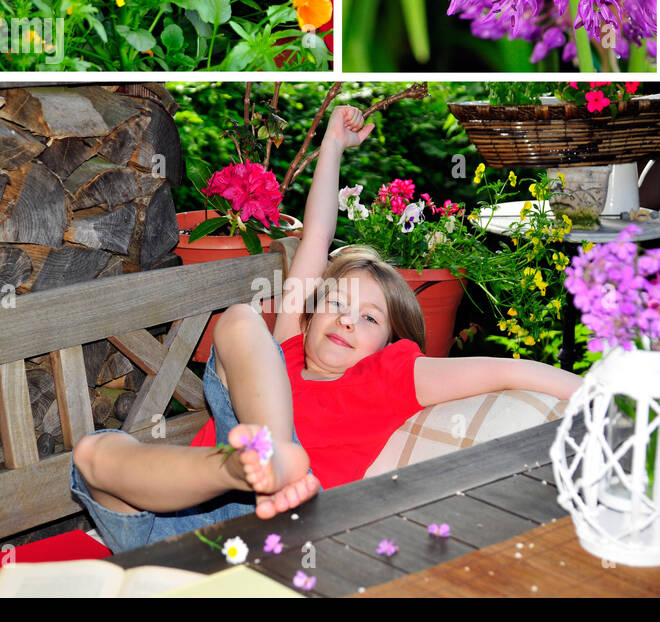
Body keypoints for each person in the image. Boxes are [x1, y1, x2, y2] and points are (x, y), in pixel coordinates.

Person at [70, 105, 582, 553]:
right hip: (176, 520)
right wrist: (332, 143)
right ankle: (251, 460)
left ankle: (262, 463)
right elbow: (316, 238)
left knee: (244, 329)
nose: (345, 318)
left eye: (369, 318)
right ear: (311, 314)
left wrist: (601, 390)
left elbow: (498, 371)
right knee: (95, 452)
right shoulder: (288, 349)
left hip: (275, 532)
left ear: (392, 341)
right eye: (336, 303)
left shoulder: (390, 374)